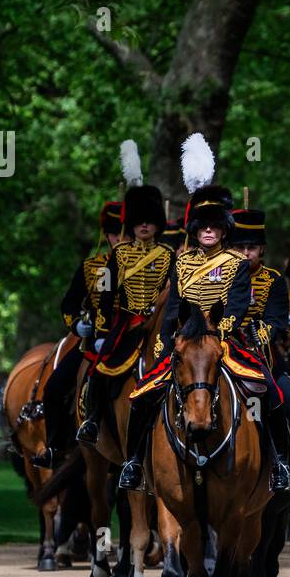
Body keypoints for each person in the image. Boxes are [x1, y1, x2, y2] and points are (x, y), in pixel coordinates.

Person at [117, 179, 254, 491]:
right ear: (195, 230)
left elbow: (237, 305)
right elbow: (173, 308)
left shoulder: (236, 264)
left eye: (215, 227)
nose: (208, 232)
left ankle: (281, 465)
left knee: (272, 394)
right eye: (203, 227)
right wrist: (166, 342)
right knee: (140, 396)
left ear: (223, 230)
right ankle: (135, 462)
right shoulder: (182, 263)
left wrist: (220, 332)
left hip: (224, 344)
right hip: (185, 345)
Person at [75, 181, 173, 446]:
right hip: (127, 322)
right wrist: (102, 332)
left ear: (157, 224)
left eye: (150, 221)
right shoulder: (118, 255)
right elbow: (106, 297)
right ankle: (93, 420)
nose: (144, 226)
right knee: (101, 366)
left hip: (158, 323)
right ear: (131, 223)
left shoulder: (168, 255)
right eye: (139, 221)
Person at [32, 199, 124, 468]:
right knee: (54, 387)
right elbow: (70, 304)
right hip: (94, 341)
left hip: (132, 336)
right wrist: (77, 325)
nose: (119, 239)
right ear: (107, 235)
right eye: (115, 233)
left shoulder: (146, 266)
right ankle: (57, 446)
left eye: (124, 234)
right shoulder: (91, 267)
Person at [232, 206, 290, 494]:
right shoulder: (220, 275)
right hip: (226, 350)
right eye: (240, 247)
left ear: (261, 250)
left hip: (263, 354)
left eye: (252, 247)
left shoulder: (273, 280)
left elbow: (278, 320)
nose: (246, 253)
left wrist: (262, 333)